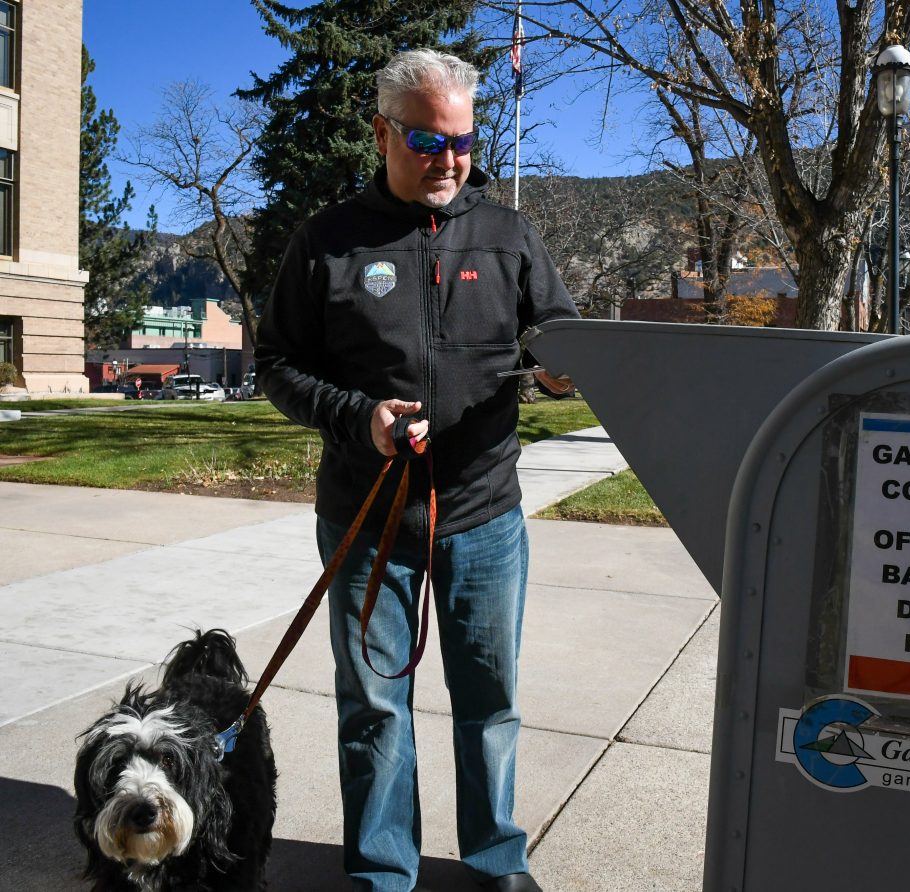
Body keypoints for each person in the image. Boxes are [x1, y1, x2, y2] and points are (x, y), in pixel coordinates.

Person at [256, 48, 579, 892]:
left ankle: (496, 858)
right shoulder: (326, 242)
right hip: (368, 517)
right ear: (382, 133)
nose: (449, 159)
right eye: (427, 140)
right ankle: (381, 870)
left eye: (463, 140)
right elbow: (277, 364)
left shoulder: (509, 237)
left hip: (483, 513)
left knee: (490, 703)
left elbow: (564, 339)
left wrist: (565, 369)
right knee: (373, 709)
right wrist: (358, 418)